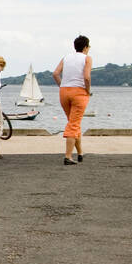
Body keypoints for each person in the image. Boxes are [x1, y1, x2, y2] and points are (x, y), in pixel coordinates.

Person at [53, 35, 92, 166]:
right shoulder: (87, 58)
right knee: (73, 125)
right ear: (86, 47)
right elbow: (86, 77)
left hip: (64, 91)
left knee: (73, 122)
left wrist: (62, 85)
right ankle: (68, 156)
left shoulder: (66, 57)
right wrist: (87, 90)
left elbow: (55, 73)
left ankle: (80, 153)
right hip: (79, 92)